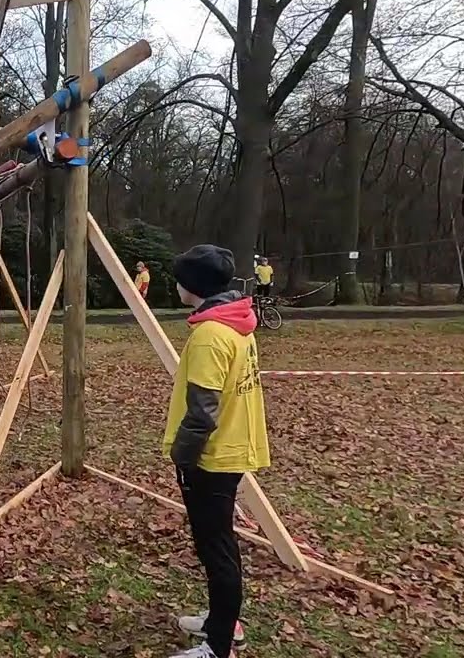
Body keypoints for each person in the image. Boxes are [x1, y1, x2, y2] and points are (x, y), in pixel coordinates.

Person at [164, 244, 270, 658]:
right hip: (227, 449)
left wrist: (183, 457)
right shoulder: (235, 323)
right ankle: (220, 620)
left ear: (191, 287)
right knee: (216, 545)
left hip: (210, 457)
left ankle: (219, 645)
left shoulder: (210, 335)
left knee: (217, 548)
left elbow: (202, 413)